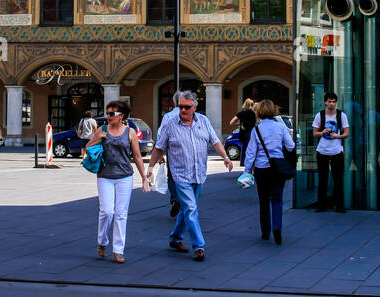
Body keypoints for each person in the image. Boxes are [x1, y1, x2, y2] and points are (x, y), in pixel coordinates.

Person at [146, 90, 233, 262]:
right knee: (192, 209)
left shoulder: (204, 121)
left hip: (199, 174)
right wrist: (150, 167)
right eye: (180, 107)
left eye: (187, 107)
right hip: (180, 175)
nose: (183, 110)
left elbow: (215, 141)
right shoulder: (171, 124)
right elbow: (159, 147)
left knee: (186, 210)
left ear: (194, 107)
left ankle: (175, 238)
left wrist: (225, 157)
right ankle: (199, 246)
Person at [90, 98, 149, 263]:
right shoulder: (102, 129)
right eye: (107, 113)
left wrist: (144, 177)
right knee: (107, 212)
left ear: (121, 115)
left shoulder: (130, 132)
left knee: (121, 214)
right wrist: (97, 138)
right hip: (105, 176)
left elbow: (137, 156)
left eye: (111, 113)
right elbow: (88, 147)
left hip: (125, 176)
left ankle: (118, 250)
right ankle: (102, 242)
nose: (108, 116)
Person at [243, 99, 296, 243]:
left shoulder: (256, 130)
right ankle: (277, 227)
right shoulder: (280, 128)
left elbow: (250, 153)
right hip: (277, 169)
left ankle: (265, 231)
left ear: (259, 112)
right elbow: (291, 146)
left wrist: (247, 171)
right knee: (277, 199)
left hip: (262, 169)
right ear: (274, 110)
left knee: (264, 200)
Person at [307, 92, 350, 212]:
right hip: (322, 151)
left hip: (337, 151)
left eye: (333, 101)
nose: (331, 103)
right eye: (329, 101)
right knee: (322, 179)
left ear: (336, 102)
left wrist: (337, 136)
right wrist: (322, 132)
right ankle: (322, 205)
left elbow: (347, 133)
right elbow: (314, 132)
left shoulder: (342, 115)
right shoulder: (319, 115)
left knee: (338, 180)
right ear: (325, 102)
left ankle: (339, 205)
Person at [229, 97, 256, 165]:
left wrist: (239, 123)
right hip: (252, 133)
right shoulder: (254, 114)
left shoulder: (241, 113)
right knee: (252, 149)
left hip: (243, 133)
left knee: (244, 148)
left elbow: (231, 122)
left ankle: (243, 162)